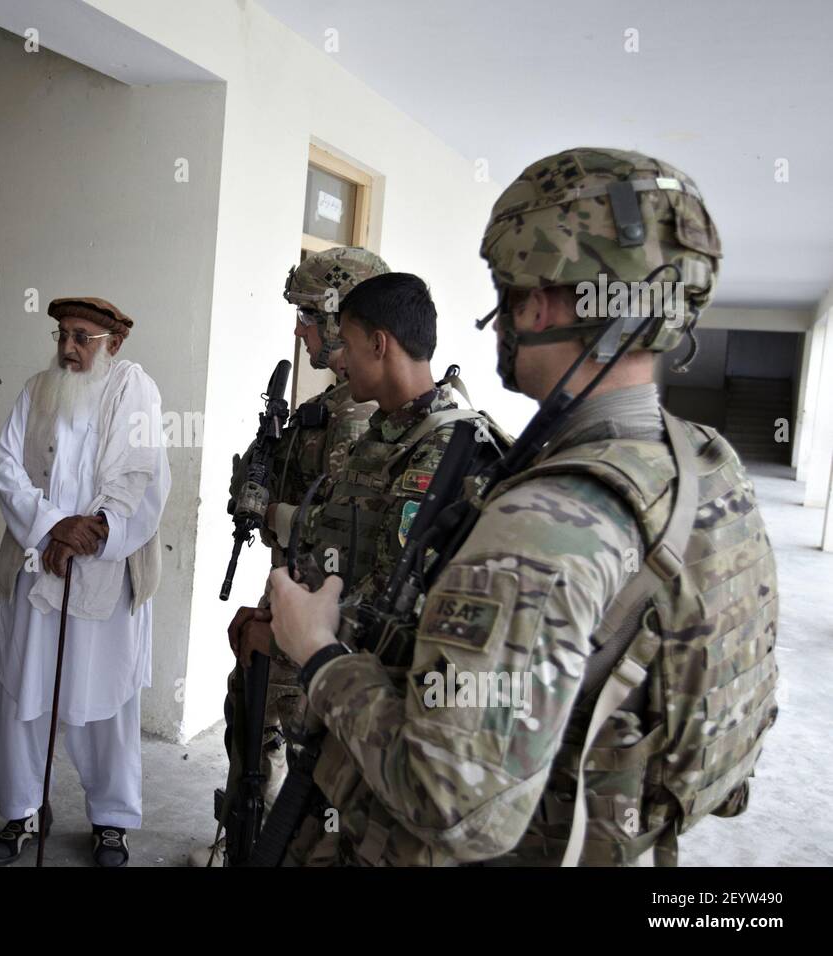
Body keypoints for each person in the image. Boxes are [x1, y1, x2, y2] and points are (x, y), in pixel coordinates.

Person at [269, 147, 781, 866]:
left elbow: (453, 806)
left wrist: (319, 653)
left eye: (506, 290)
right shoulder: (703, 463)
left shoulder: (549, 521)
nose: (498, 317)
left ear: (540, 301)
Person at [261, 271, 499, 866]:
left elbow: (397, 604)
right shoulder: (381, 433)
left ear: (380, 343)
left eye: (343, 339)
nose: (334, 357)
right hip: (338, 687)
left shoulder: (453, 451)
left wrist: (292, 637)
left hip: (385, 712)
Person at [202, 248, 385, 866]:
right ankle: (249, 834)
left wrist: (268, 512)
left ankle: (257, 842)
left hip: (326, 620)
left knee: (274, 727)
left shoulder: (360, 414)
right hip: (295, 596)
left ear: (342, 318)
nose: (299, 329)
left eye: (309, 315)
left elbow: (341, 533)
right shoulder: (334, 404)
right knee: (252, 713)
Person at [0, 296, 170, 866]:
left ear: (113, 344)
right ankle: (21, 811)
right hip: (38, 563)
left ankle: (111, 820)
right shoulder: (37, 389)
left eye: (82, 338)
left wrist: (87, 535)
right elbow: (6, 465)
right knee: (23, 693)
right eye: (62, 335)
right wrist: (50, 527)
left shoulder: (135, 391)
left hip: (106, 573)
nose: (67, 348)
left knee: (108, 702)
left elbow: (142, 479)